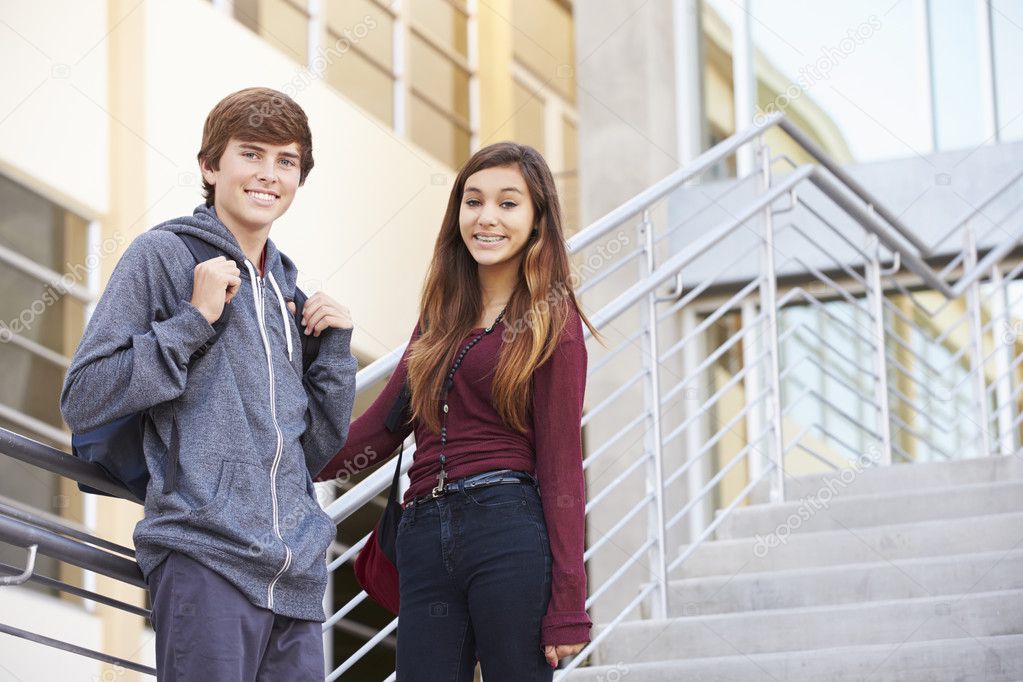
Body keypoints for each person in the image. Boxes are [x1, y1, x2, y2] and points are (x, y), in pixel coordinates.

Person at [60, 87, 357, 681]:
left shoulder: (288, 297)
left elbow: (316, 454)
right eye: (251, 154)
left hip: (294, 583)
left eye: (286, 162)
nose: (268, 175)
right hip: (205, 556)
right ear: (209, 165)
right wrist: (192, 322)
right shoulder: (162, 257)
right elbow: (84, 394)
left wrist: (336, 354)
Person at [317, 141, 597, 681]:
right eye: (473, 201)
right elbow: (380, 430)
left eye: (508, 203)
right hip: (424, 533)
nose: (486, 217)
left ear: (538, 220)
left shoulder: (552, 322)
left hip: (507, 530)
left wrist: (568, 604)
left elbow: (562, 465)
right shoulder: (440, 317)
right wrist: (285, 457)